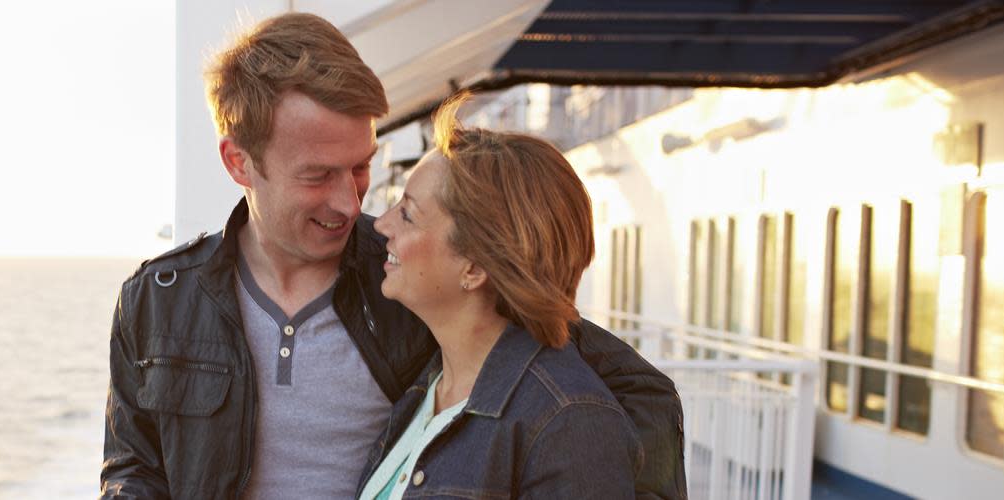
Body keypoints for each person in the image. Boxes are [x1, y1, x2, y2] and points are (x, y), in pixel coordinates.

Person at [101, 12, 685, 499]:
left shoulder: (413, 274)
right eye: (317, 175)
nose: (350, 202)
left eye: (361, 165)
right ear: (239, 163)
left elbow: (621, 388)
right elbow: (132, 469)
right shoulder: (157, 299)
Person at [357, 94, 637, 499]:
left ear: (473, 267)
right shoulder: (426, 389)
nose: (381, 225)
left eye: (408, 213)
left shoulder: (570, 423)